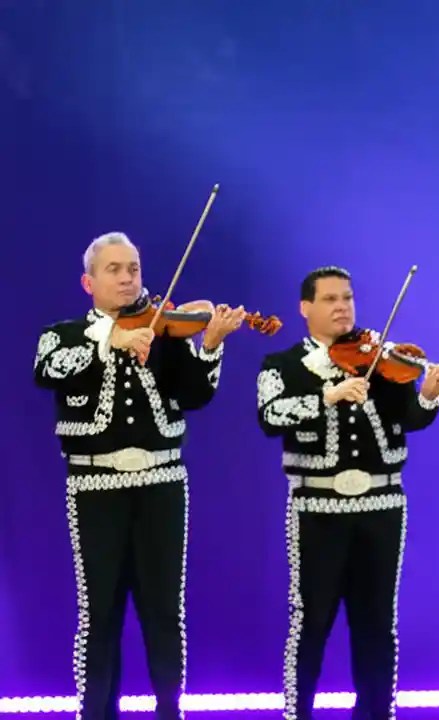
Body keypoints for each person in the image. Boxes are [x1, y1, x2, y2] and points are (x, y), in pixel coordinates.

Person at [34, 231, 244, 720]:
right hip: (94, 487)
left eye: (134, 268)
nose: (128, 278)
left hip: (161, 485)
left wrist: (210, 344)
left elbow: (194, 396)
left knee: (163, 609)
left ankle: (170, 710)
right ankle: (95, 713)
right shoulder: (62, 335)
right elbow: (48, 369)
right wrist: (113, 339)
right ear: (89, 282)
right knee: (99, 614)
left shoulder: (165, 331)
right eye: (115, 269)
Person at [255, 266, 439, 720]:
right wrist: (327, 395)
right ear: (306, 308)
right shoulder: (282, 366)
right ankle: (298, 712)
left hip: (381, 507)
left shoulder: (381, 361)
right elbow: (269, 416)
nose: (342, 306)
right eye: (330, 299)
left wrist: (430, 395)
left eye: (346, 298)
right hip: (317, 508)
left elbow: (411, 419)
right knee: (311, 622)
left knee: (377, 624)